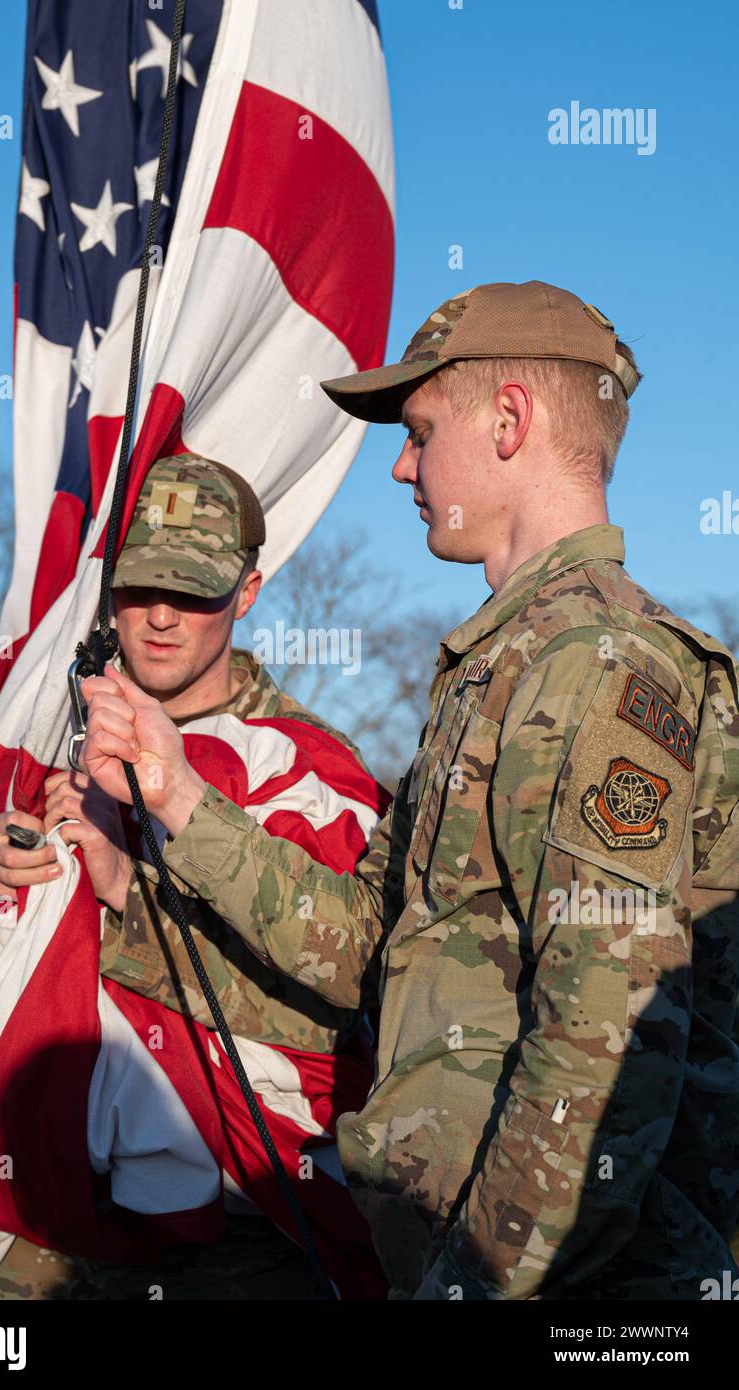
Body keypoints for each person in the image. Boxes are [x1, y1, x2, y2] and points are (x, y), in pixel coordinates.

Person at [79, 282, 739, 1301]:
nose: (401, 465)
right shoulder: (503, 667)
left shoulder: (603, 667)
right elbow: (364, 946)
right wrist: (177, 798)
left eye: (421, 432)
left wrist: (475, 1285)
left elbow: (604, 1049)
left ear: (510, 421)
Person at [0, 454, 389, 1300]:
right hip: (28, 1232)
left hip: (239, 1238)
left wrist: (127, 893)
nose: (158, 617)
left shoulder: (311, 776)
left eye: (192, 593)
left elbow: (337, 1008)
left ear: (248, 592)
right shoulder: (27, 738)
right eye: (139, 586)